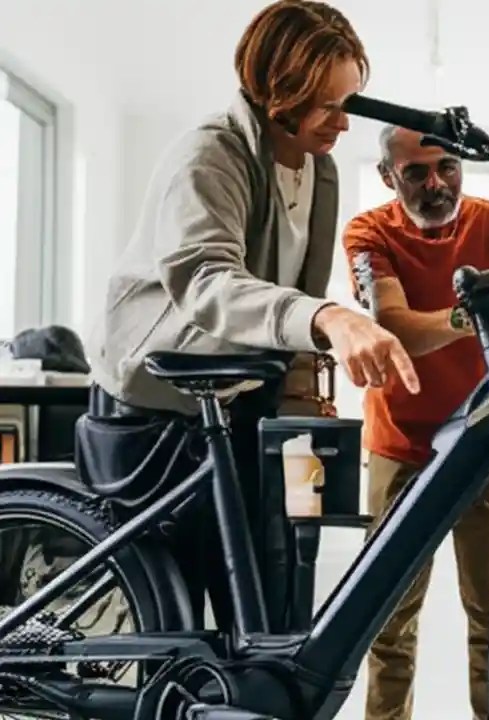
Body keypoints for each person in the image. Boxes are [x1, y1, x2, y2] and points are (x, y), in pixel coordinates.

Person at [85, 0, 418, 630]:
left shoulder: (317, 167)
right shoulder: (211, 155)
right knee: (173, 611)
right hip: (156, 401)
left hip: (237, 395)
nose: (344, 123)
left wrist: (300, 387)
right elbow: (208, 280)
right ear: (279, 93)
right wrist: (329, 319)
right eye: (329, 104)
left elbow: (296, 282)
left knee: (272, 601)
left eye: (351, 102)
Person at [344, 125, 489, 720]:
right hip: (402, 447)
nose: (436, 184)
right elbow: (395, 322)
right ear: (387, 177)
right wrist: (475, 316)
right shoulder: (369, 232)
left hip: (485, 445)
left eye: (447, 168)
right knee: (388, 620)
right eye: (416, 173)